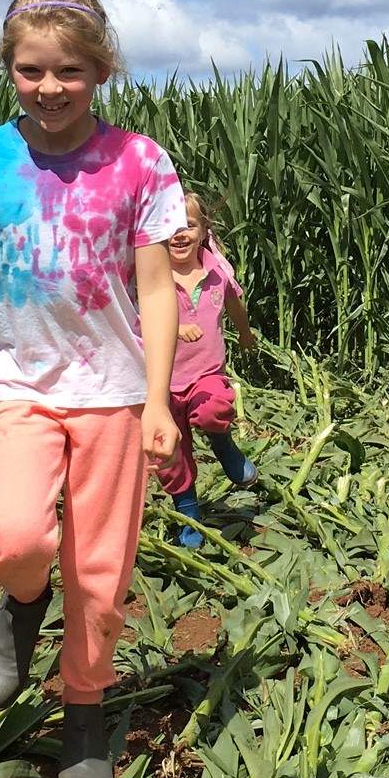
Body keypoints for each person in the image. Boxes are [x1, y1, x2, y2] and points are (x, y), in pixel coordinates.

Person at [0, 0, 182, 778]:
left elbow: (159, 286)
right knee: (19, 535)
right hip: (16, 380)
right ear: (9, 69)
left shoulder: (140, 161)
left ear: (100, 69)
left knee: (100, 566)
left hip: (113, 389)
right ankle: (24, 597)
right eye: (30, 70)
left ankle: (85, 709)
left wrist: (160, 400)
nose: (50, 87)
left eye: (70, 69)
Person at [158, 194, 258, 549]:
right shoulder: (151, 274)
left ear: (203, 231)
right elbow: (134, 322)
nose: (179, 234)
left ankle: (223, 444)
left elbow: (233, 303)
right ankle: (188, 515)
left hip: (206, 372)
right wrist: (173, 329)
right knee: (170, 453)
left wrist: (245, 333)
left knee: (215, 407)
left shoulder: (216, 271)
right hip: (162, 383)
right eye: (170, 226)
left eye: (188, 225)